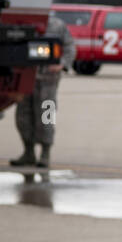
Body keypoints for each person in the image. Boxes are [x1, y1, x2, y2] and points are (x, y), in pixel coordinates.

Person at [9, 12, 76, 169]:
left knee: (47, 117)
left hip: (48, 81)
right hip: (25, 78)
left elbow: (70, 46)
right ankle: (28, 152)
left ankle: (45, 154)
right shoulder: (24, 24)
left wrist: (63, 64)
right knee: (23, 117)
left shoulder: (57, 25)